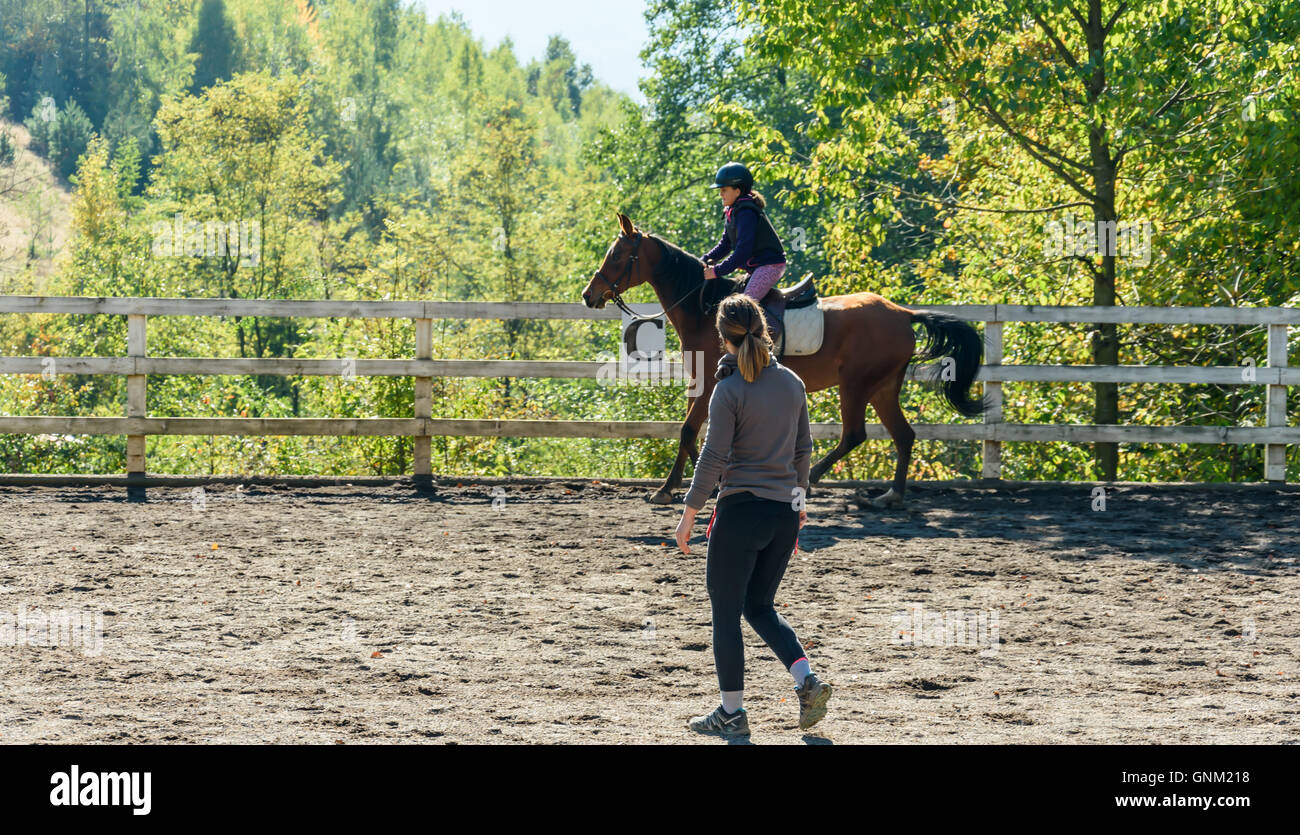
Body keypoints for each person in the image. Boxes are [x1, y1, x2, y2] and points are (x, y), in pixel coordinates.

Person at [673, 293, 832, 738]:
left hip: (740, 513)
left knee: (726, 612)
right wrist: (799, 507)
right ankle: (807, 682)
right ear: (763, 329)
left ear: (722, 337)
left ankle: (732, 713)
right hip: (783, 515)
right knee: (759, 606)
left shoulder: (728, 390)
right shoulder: (793, 383)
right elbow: (804, 451)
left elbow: (713, 457)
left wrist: (689, 513)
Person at [702, 162, 790, 346]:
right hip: (758, 266)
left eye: (724, 189)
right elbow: (725, 245)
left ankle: (764, 348)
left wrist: (717, 271)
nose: (720, 194)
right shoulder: (733, 211)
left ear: (738, 190)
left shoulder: (746, 212)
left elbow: (742, 252)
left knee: (743, 306)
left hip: (770, 265)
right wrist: (702, 261)